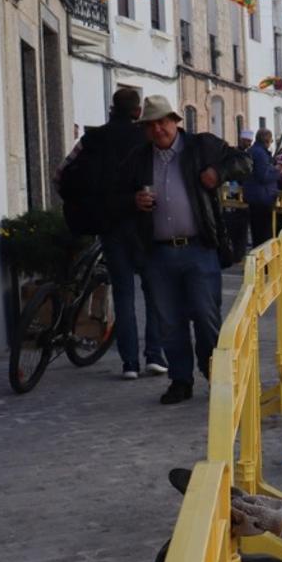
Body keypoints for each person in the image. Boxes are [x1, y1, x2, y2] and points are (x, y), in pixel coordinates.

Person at [120, 95, 251, 404]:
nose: (158, 129)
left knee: (207, 317)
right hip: (158, 253)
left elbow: (245, 161)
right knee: (169, 322)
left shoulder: (200, 146)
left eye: (163, 121)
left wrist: (218, 173)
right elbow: (116, 194)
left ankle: (217, 374)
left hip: (198, 248)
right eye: (151, 125)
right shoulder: (138, 159)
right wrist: (132, 201)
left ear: (175, 121)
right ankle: (180, 380)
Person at [75, 88, 167, 381]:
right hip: (144, 225)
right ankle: (154, 355)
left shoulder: (92, 139)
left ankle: (129, 363)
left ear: (112, 108)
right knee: (153, 292)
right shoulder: (146, 138)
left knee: (124, 294)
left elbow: (63, 173)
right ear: (137, 112)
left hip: (110, 225)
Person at [241, 128, 278, 247]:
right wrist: (279, 172)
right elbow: (264, 176)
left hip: (253, 196)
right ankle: (264, 264)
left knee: (256, 232)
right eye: (271, 141)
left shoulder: (251, 151)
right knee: (264, 234)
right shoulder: (261, 154)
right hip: (262, 197)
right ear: (266, 140)